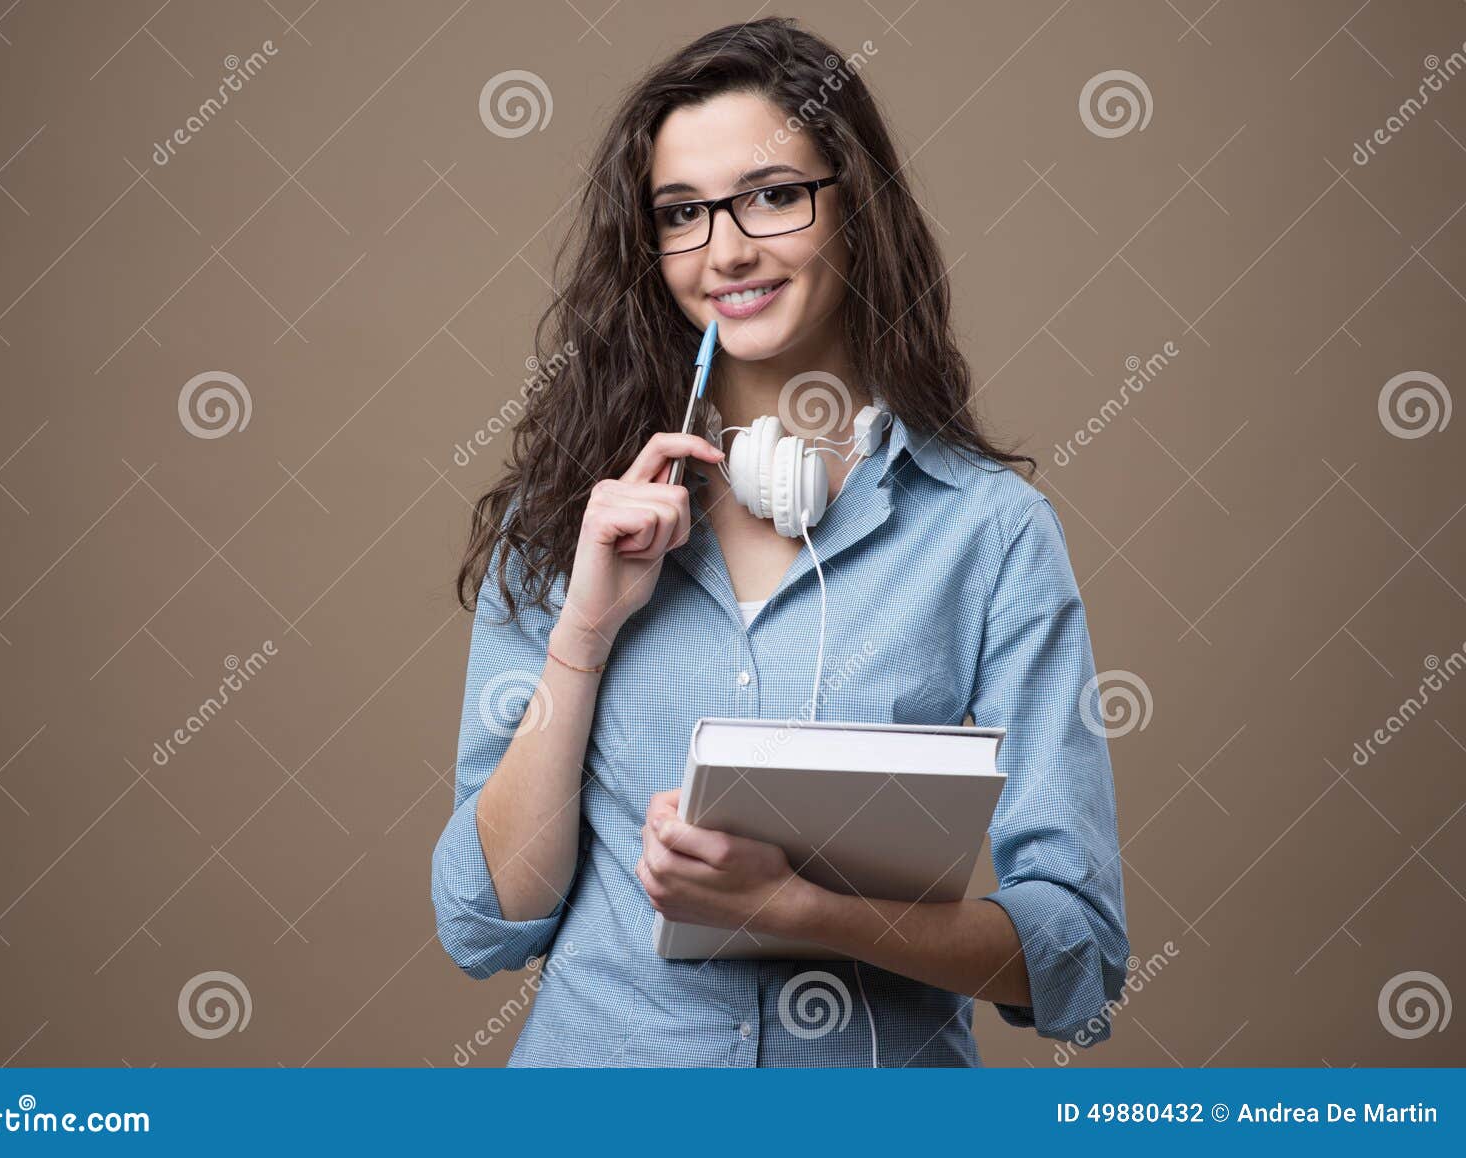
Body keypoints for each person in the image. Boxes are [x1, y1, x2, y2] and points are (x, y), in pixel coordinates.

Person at [432, 16, 1128, 1067]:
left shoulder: (986, 534)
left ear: (857, 208)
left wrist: (806, 911)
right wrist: (583, 631)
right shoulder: (582, 517)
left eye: (770, 194)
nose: (725, 250)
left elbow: (1077, 957)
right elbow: (488, 923)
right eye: (681, 213)